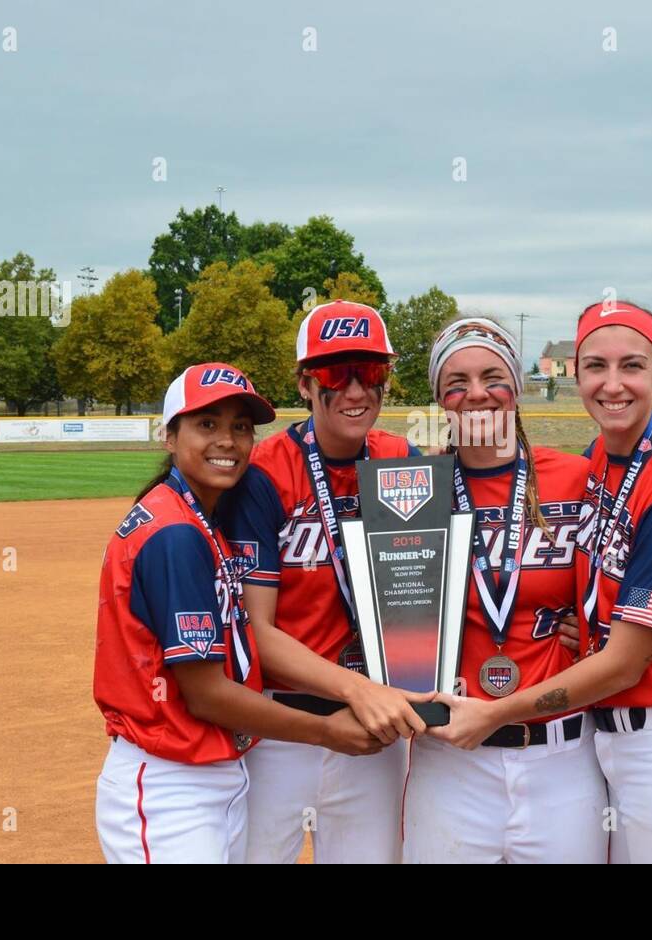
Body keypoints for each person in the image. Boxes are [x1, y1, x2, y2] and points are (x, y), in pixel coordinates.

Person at [431, 303, 652, 863]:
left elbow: (628, 660)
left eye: (631, 366)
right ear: (575, 376)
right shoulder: (600, 465)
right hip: (609, 749)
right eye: (595, 367)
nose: (612, 384)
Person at [93, 363, 384, 864]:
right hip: (169, 782)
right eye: (207, 424)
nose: (227, 440)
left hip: (208, 774)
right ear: (170, 436)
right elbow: (206, 694)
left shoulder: (198, 519)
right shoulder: (176, 534)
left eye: (240, 427)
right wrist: (323, 730)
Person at [223, 301, 432, 864]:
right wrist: (356, 692)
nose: (357, 391)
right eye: (337, 374)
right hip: (282, 727)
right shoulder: (264, 473)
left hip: (375, 730)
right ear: (305, 384)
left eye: (372, 373)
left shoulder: (400, 459)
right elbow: (255, 632)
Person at [402, 318, 608, 862]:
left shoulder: (579, 477)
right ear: (439, 399)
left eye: (492, 376)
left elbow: (648, 554)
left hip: (561, 758)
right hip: (448, 759)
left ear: (516, 387)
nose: (475, 394)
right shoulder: (414, 491)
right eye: (456, 382)